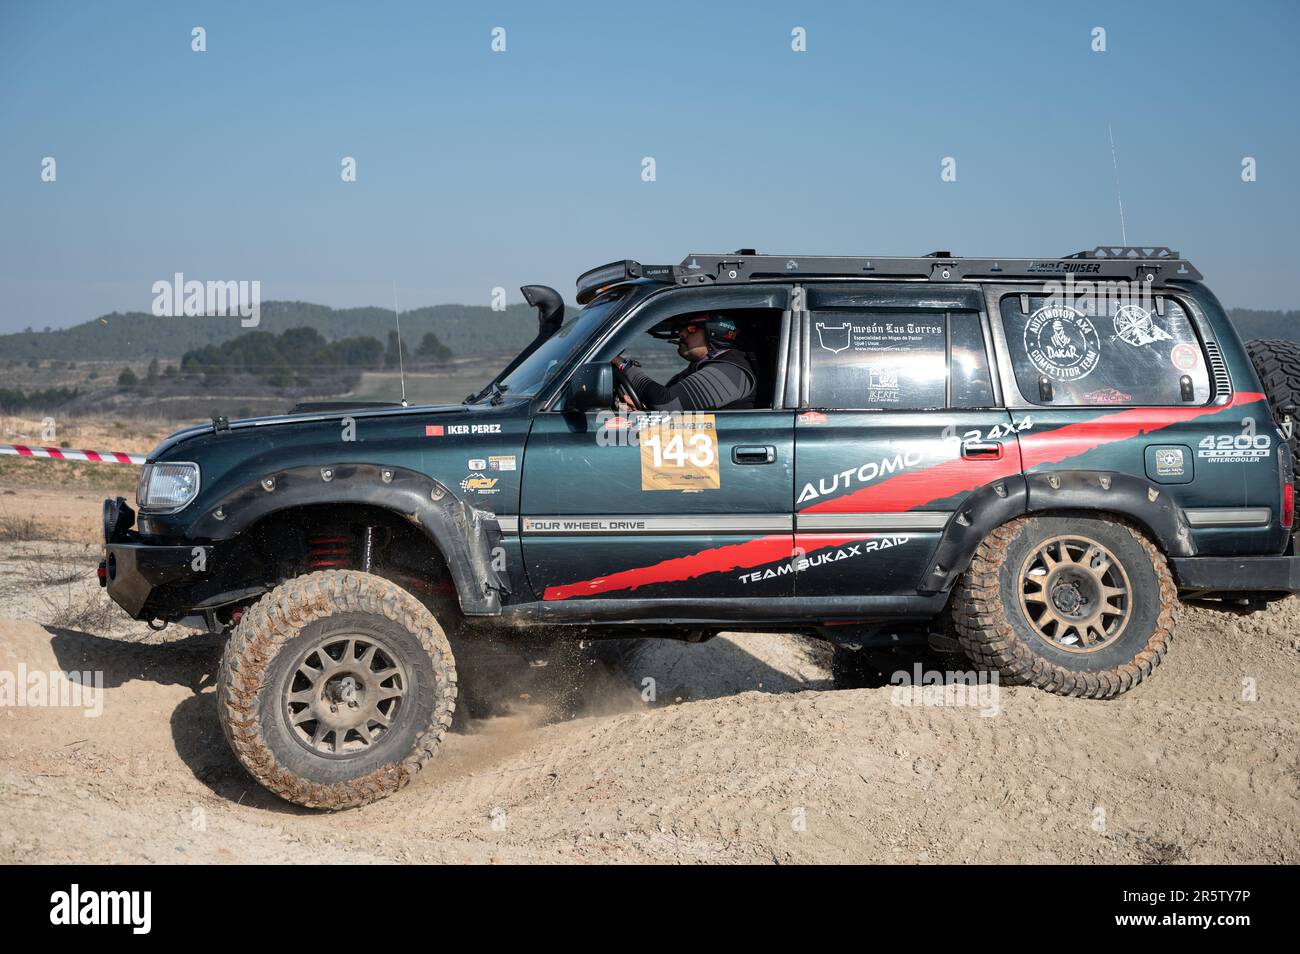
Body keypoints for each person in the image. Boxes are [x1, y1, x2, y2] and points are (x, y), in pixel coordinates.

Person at [610, 314, 756, 411]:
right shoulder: (702, 367)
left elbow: (666, 403)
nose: (682, 334)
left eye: (691, 329)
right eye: (682, 329)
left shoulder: (730, 370)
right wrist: (643, 409)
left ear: (714, 332)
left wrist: (624, 366)